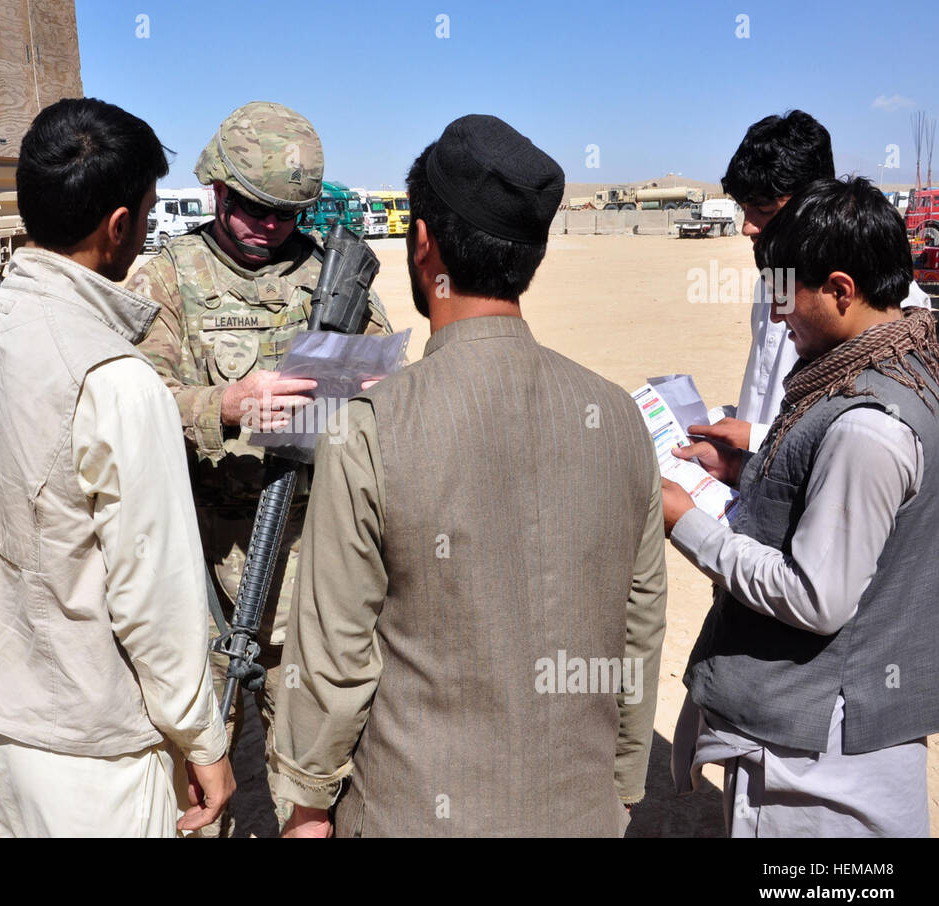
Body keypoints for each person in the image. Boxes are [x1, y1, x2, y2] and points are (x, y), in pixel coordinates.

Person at [272, 115, 668, 838]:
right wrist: (624, 783)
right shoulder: (617, 418)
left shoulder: (372, 425)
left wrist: (305, 803)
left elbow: (335, 654)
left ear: (422, 245)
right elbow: (637, 632)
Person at [0, 97, 234, 837]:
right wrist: (203, 740)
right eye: (146, 216)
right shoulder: (117, 378)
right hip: (91, 758)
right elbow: (156, 591)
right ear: (120, 226)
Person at [131, 101, 392, 834]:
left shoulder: (334, 281)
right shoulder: (168, 276)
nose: (268, 225)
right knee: (195, 779)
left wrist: (368, 389)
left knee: (315, 780)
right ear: (215, 188)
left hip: (310, 570)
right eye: (251, 206)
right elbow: (133, 405)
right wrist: (228, 404)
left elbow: (386, 389)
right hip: (200, 573)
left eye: (287, 213)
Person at [664, 177, 939, 837]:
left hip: (818, 766)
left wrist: (688, 525)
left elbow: (816, 597)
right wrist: (749, 468)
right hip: (842, 736)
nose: (776, 317)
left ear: (841, 290)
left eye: (785, 297)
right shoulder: (911, 361)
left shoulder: (866, 424)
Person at [692, 110, 932, 452]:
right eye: (744, 209)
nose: (747, 226)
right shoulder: (774, 276)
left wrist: (758, 439)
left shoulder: (890, 304)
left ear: (814, 203)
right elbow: (767, 390)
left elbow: (883, 441)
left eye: (764, 210)